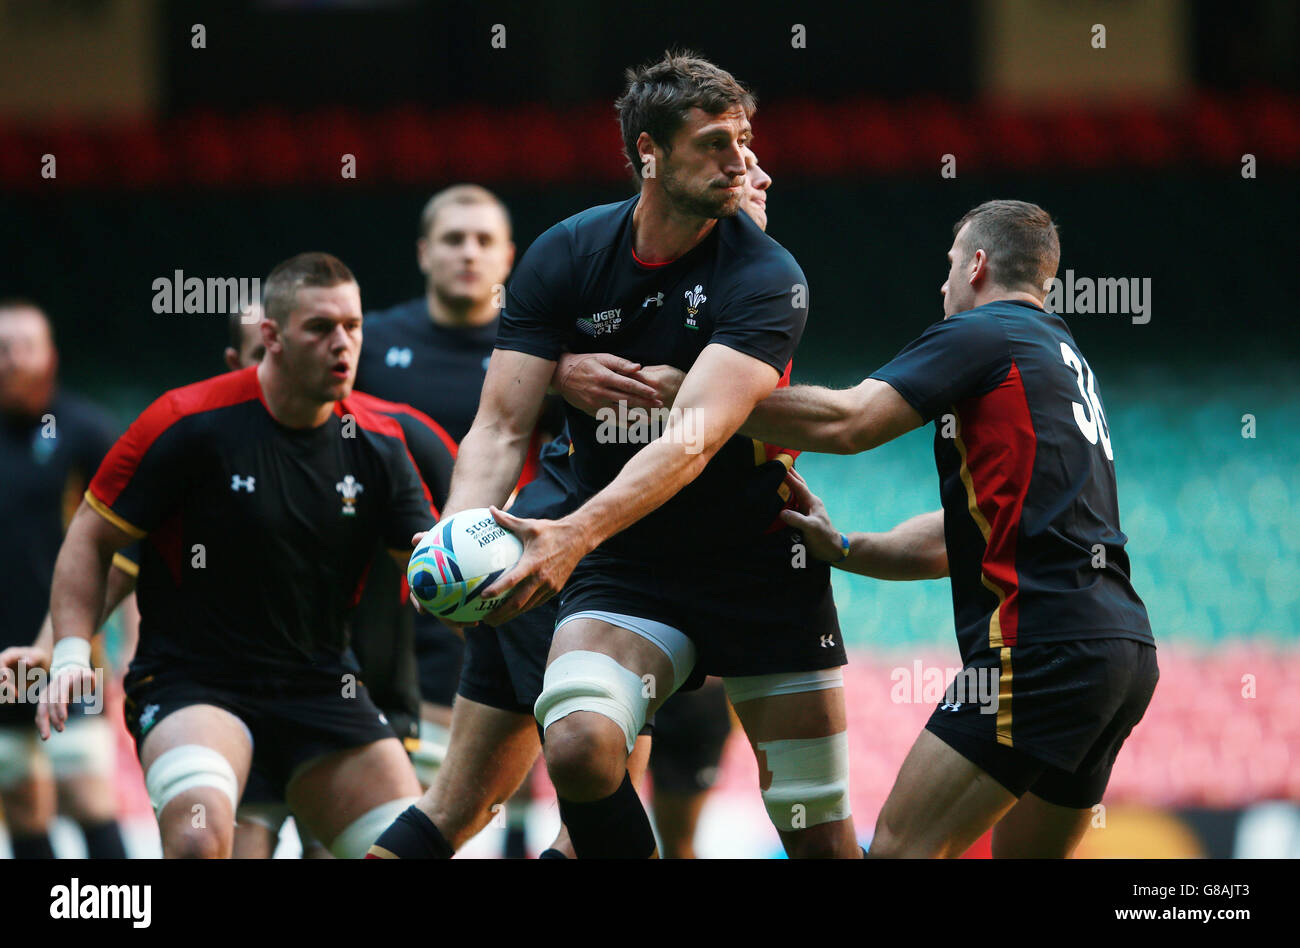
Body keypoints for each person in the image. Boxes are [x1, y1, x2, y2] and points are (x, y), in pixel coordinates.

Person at [371, 51, 858, 860]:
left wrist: (570, 535)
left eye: (744, 140)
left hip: (757, 566)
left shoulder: (769, 275)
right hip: (627, 561)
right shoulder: (566, 254)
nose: (741, 161)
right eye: (714, 143)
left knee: (819, 836)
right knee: (578, 748)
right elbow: (498, 426)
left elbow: (692, 440)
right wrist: (453, 537)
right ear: (648, 153)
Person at [738, 199, 1158, 857]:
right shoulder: (1059, 354)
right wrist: (844, 547)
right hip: (1121, 654)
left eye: (950, 264)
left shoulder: (985, 333)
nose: (943, 284)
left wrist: (704, 404)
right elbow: (959, 535)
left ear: (979, 264)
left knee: (903, 848)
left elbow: (849, 422)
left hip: (1040, 647)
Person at [43, 253, 433, 858]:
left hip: (324, 687)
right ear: (271, 337)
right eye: (320, 328)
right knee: (199, 843)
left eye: (353, 327)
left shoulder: (381, 443)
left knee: (410, 849)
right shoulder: (184, 422)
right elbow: (95, 538)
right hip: (196, 686)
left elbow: (433, 567)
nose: (343, 344)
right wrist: (65, 651)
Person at [355, 184, 559, 786]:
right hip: (377, 588)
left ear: (508, 257)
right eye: (452, 239)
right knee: (381, 775)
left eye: (483, 241)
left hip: (487, 582)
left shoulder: (542, 354)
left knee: (476, 774)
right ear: (424, 252)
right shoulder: (367, 343)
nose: (468, 253)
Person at [0, 300, 134, 859]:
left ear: (50, 357)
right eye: (0, 349)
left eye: (22, 347)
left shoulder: (84, 431)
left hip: (65, 651)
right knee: (21, 800)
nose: (9, 360)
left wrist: (128, 646)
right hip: (0, 657)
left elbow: (125, 549)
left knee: (85, 792)